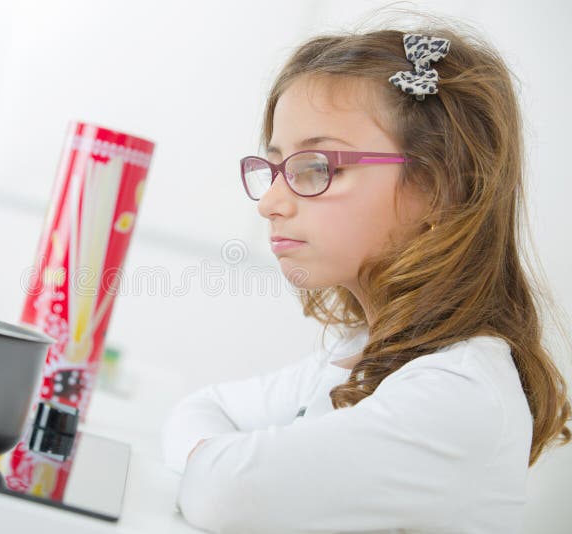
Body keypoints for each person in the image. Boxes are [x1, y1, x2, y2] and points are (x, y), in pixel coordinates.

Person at [161, 24, 571, 534]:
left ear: (439, 187)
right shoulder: (361, 352)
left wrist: (221, 468)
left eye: (315, 167)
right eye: (273, 168)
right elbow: (204, 408)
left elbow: (222, 495)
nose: (270, 203)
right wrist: (223, 464)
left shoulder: (458, 392)